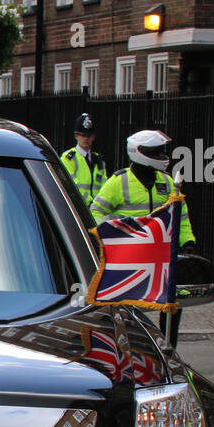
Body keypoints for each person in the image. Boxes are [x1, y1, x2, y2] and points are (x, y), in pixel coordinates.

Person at [91, 129, 197, 340]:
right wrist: (118, 234)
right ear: (139, 153)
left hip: (160, 254)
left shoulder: (167, 182)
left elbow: (180, 215)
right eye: (156, 153)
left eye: (161, 152)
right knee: (130, 301)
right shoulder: (118, 181)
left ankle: (169, 344)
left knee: (170, 300)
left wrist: (187, 240)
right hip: (131, 254)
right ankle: (130, 340)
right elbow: (96, 212)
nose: (161, 157)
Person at [60, 112, 108, 205]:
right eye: (82, 135)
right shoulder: (68, 158)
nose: (86, 138)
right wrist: (90, 202)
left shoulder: (98, 159)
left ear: (93, 137)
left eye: (89, 136)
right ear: (76, 136)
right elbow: (73, 184)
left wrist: (98, 204)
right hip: (77, 206)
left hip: (95, 209)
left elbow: (104, 185)